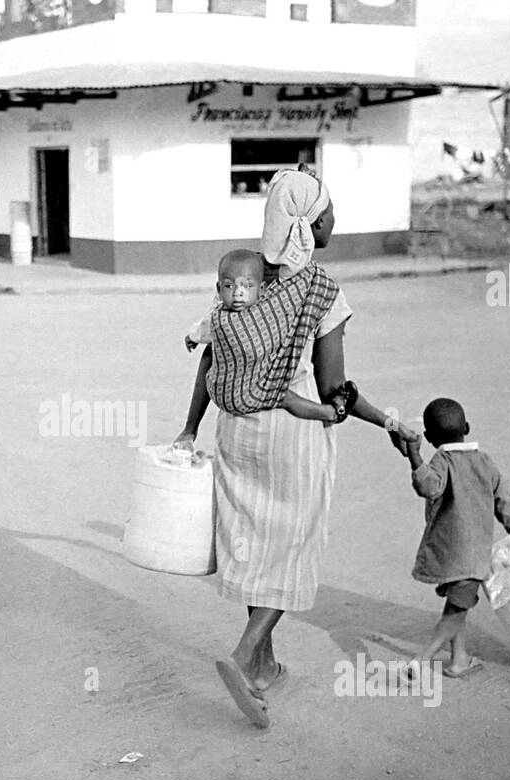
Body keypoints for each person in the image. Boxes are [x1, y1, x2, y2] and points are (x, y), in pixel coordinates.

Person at [174, 168, 419, 728]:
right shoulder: (319, 290)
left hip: (236, 429)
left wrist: (189, 427)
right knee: (291, 546)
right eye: (329, 212)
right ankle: (242, 655)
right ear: (309, 223)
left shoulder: (245, 278)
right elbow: (334, 390)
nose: (335, 221)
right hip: (293, 432)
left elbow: (212, 358)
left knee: (253, 541)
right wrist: (385, 421)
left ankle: (264, 666)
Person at [396, 398, 510, 679]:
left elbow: (428, 487)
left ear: (431, 438)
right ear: (467, 427)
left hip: (447, 551)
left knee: (457, 605)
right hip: (472, 556)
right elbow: (504, 502)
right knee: (457, 610)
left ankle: (460, 660)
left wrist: (415, 457)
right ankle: (422, 659)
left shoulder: (441, 460)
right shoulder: (485, 462)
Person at [186, 248, 343, 424]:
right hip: (246, 395)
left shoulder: (216, 315)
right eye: (230, 286)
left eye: (247, 286)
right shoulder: (262, 315)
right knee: (285, 398)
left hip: (219, 391)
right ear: (219, 288)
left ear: (261, 289)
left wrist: (191, 338)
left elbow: (201, 333)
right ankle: (329, 414)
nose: (238, 293)